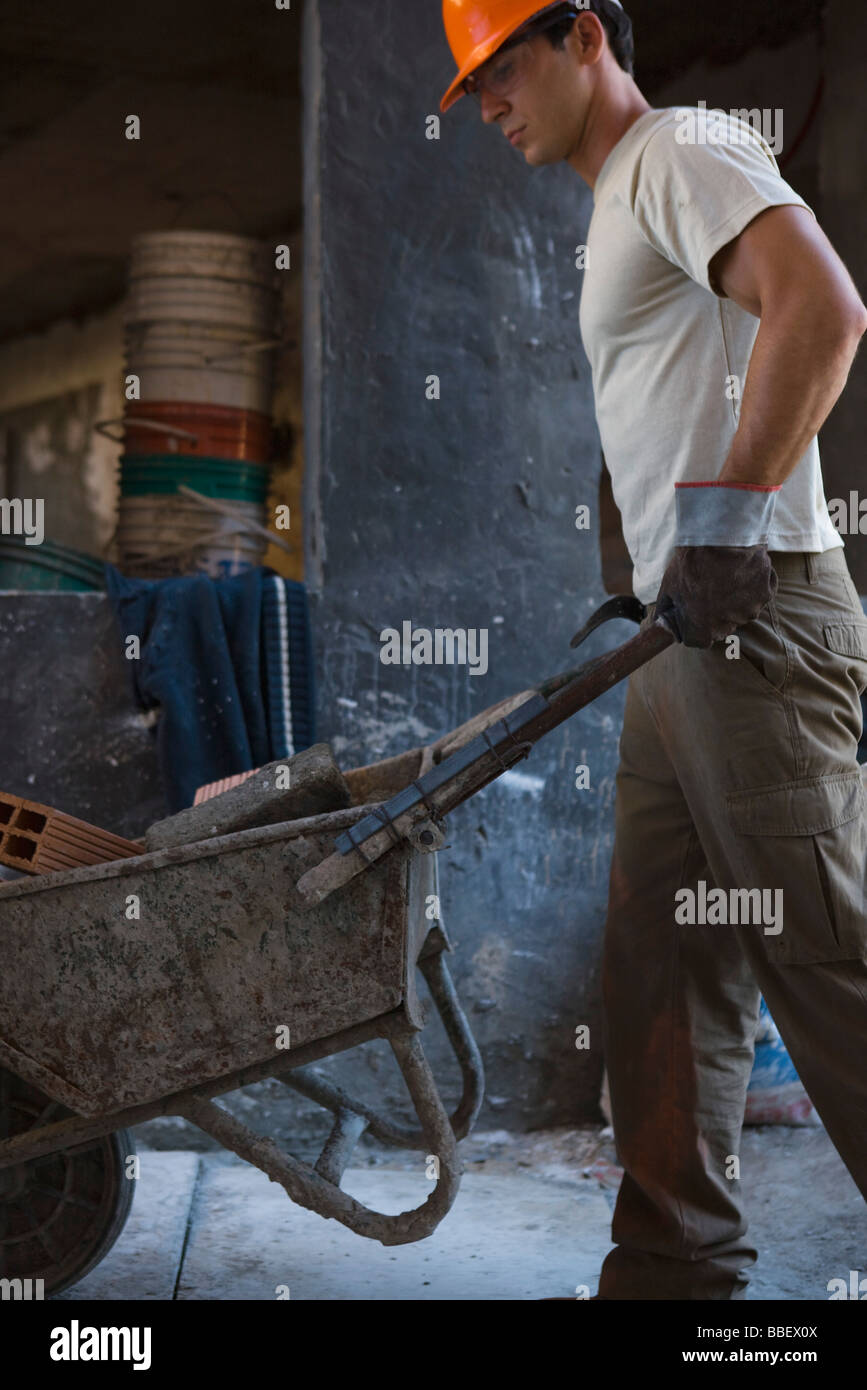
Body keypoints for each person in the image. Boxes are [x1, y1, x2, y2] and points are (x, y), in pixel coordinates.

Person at [440, 0, 867, 1300]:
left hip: (758, 625)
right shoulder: (619, 199)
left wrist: (729, 519)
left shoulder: (680, 150)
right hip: (680, 643)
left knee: (826, 954)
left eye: (505, 69)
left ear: (584, 41)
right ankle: (676, 1271)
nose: (492, 104)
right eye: (475, 89)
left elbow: (824, 308)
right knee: (665, 962)